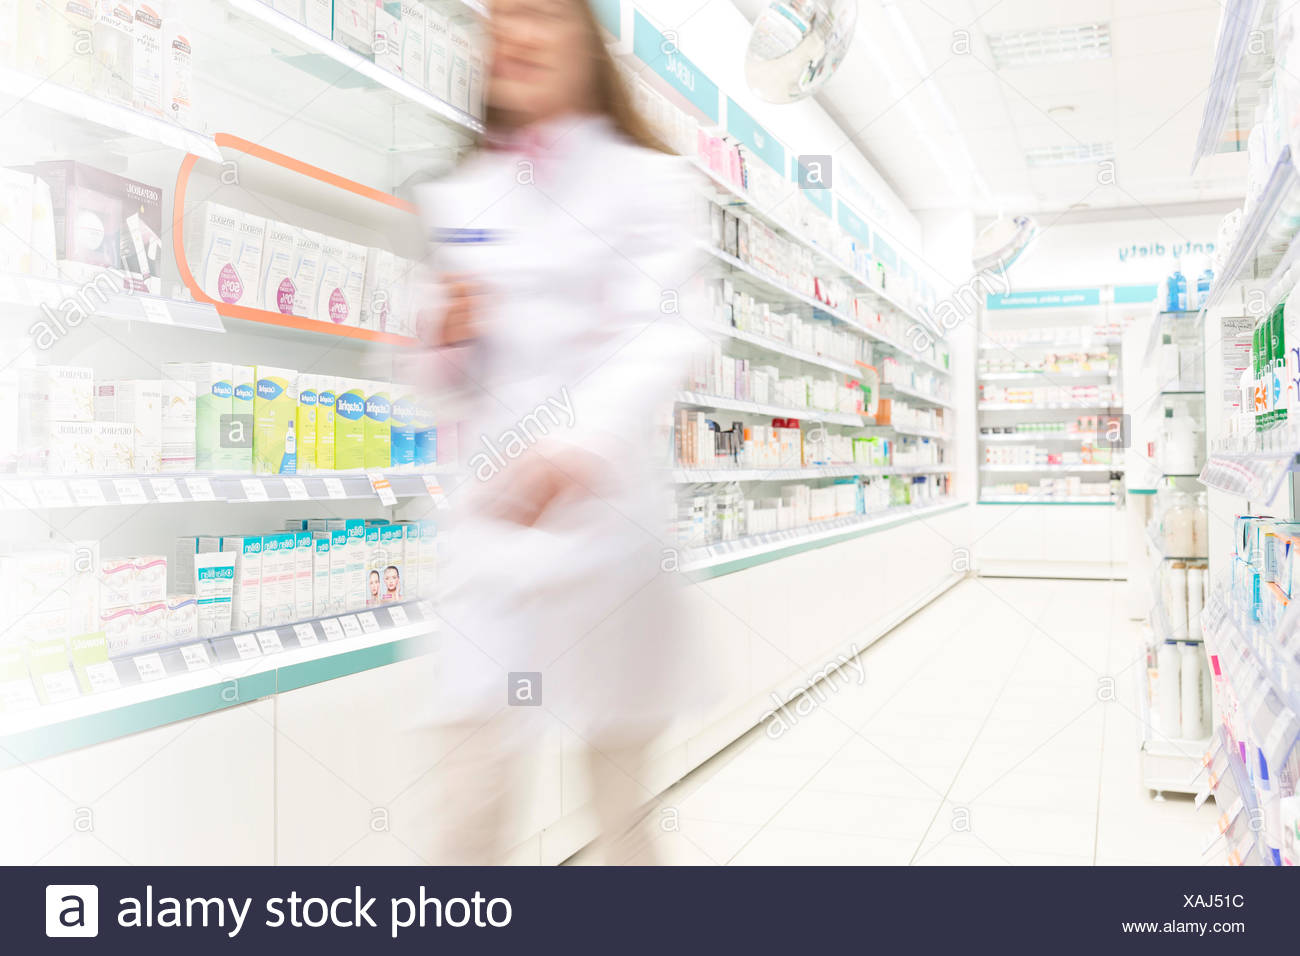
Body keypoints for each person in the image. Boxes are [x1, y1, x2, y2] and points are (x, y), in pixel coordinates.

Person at [408, 0, 709, 865]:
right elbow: (439, 380)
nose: (516, 35)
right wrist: (447, 340)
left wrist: (575, 447)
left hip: (604, 535)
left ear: (585, 41)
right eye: (499, 19)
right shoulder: (464, 191)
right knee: (467, 808)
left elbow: (668, 329)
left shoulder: (649, 183)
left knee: (621, 813)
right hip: (494, 540)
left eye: (538, 13)